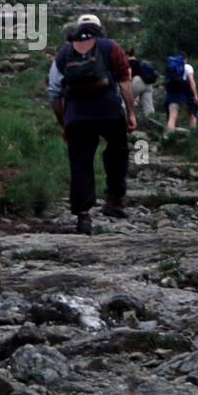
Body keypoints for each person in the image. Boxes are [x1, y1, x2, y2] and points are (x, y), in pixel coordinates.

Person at [48, 12, 136, 234]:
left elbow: (55, 93)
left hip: (77, 117)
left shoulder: (64, 53)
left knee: (80, 164)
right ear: (100, 29)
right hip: (109, 112)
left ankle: (83, 217)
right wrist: (131, 113)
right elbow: (124, 81)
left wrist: (64, 123)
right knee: (118, 151)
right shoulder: (111, 47)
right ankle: (114, 199)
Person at [163, 53, 198, 131]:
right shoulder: (188, 67)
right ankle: (193, 136)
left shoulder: (172, 67)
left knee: (172, 118)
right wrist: (195, 95)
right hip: (185, 96)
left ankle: (169, 138)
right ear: (185, 59)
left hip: (172, 95)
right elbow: (191, 81)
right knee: (192, 115)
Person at [127, 48, 158, 118]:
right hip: (148, 84)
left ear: (126, 55)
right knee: (149, 108)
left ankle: (123, 121)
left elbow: (129, 73)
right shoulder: (139, 62)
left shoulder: (127, 62)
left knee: (125, 100)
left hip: (137, 82)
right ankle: (151, 123)